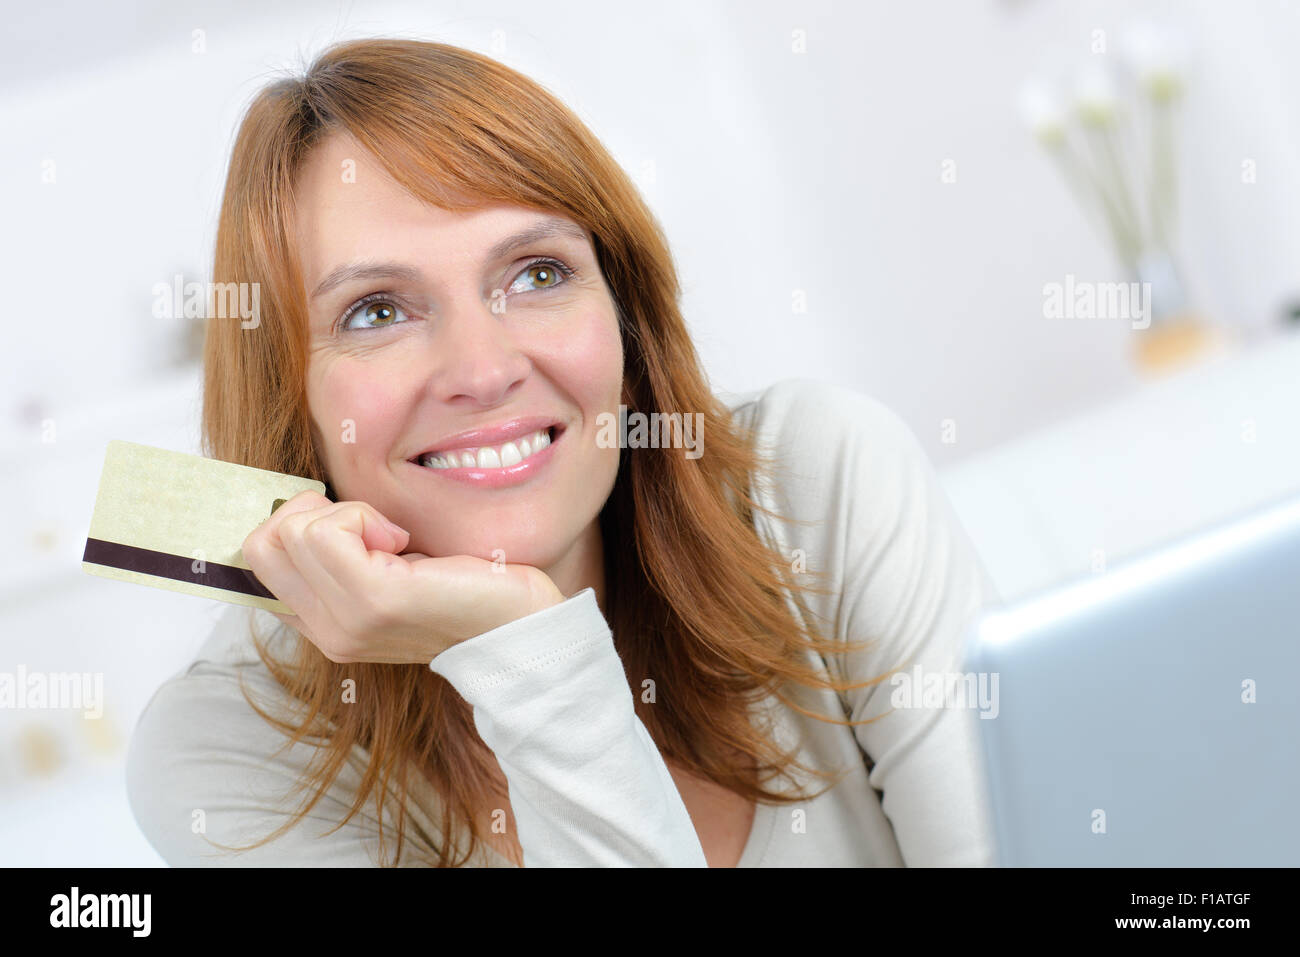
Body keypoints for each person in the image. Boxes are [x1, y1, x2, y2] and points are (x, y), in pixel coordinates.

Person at [125, 37, 1000, 868]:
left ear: (628, 325)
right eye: (377, 311)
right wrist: (523, 646)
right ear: (290, 396)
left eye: (537, 273)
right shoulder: (227, 747)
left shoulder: (819, 480)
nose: (485, 369)